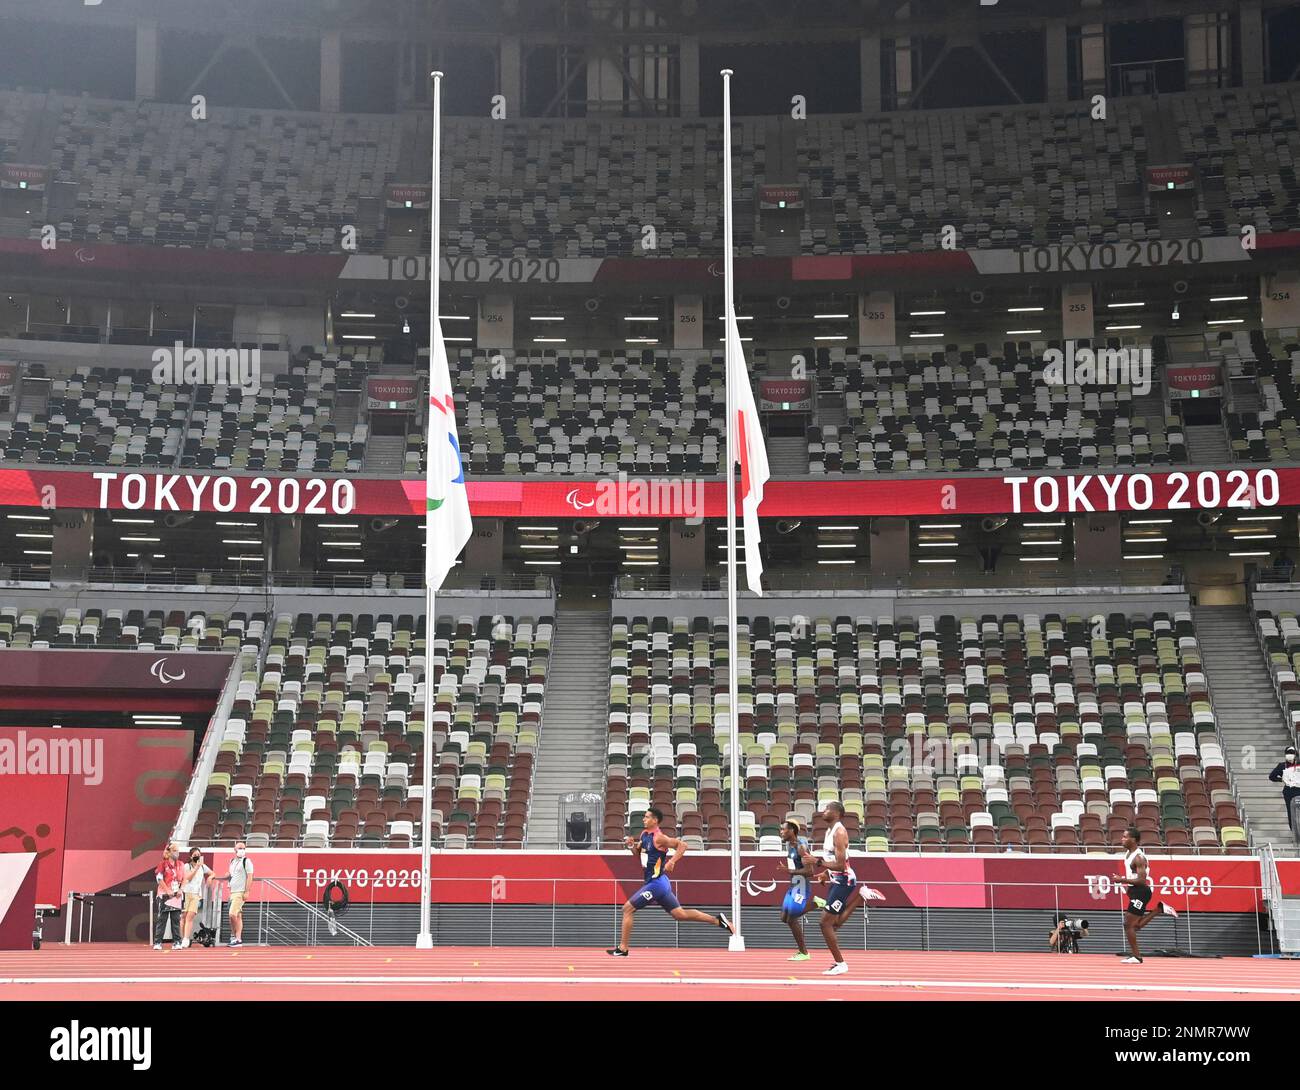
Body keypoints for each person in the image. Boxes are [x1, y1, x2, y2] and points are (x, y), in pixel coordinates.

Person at [606, 807, 733, 956]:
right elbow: (639, 855)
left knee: (627, 908)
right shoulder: (644, 834)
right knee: (680, 915)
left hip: (657, 884)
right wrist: (631, 846)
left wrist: (672, 861)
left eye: (646, 817)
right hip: (658, 882)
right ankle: (718, 921)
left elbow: (682, 845)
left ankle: (623, 948)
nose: (643, 819)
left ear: (655, 820)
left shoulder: (659, 837)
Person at [810, 800, 862, 976]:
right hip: (837, 880)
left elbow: (841, 865)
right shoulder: (829, 831)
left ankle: (841, 964)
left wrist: (816, 862)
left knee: (825, 923)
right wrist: (825, 873)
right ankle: (861, 897)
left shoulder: (839, 832)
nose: (823, 811)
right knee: (834, 923)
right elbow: (832, 859)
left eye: (827, 809)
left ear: (837, 813)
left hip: (844, 881)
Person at [1119, 827, 1178, 964]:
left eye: (1125, 837)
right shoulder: (1128, 853)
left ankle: (1137, 957)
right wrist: (1128, 888)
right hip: (1135, 891)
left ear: (1133, 840)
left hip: (1141, 892)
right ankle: (1159, 909)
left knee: (1128, 925)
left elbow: (1141, 880)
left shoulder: (1139, 857)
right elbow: (1133, 875)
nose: (1122, 839)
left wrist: (1122, 880)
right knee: (1135, 926)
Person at [777, 819, 816, 961]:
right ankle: (815, 903)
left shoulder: (801, 847)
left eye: (783, 829)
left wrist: (788, 871)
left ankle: (804, 953)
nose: (781, 832)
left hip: (802, 887)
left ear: (792, 830)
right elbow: (795, 867)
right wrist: (790, 872)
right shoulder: (790, 845)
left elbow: (810, 871)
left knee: (792, 918)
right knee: (784, 918)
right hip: (793, 885)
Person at [221, 840, 254, 947]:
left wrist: (247, 891)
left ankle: (236, 937)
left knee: (232, 914)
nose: (242, 850)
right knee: (238, 915)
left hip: (240, 892)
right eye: (240, 848)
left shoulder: (247, 861)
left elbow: (250, 877)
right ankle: (237, 938)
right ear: (235, 850)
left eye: (243, 848)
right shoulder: (232, 861)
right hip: (232, 891)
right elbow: (231, 873)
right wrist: (227, 875)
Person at [178, 847, 213, 949]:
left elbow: (212, 873)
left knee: (190, 917)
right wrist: (196, 868)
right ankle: (181, 938)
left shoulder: (203, 867)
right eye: (195, 855)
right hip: (186, 893)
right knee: (183, 917)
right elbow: (188, 878)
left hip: (196, 895)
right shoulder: (186, 866)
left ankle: (186, 938)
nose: (197, 856)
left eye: (199, 854)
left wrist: (210, 877)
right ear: (191, 856)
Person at [152, 841, 184, 951]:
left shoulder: (181, 864)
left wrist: (181, 889)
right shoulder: (163, 864)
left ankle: (177, 942)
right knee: (162, 919)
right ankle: (158, 942)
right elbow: (159, 879)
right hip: (164, 895)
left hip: (176, 896)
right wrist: (167, 890)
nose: (177, 853)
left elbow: (184, 879)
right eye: (175, 851)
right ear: (169, 852)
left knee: (176, 919)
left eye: (178, 851)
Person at [1268, 746, 1300, 831]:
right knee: (1291, 811)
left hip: (1299, 790)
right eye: (1288, 753)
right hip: (1288, 792)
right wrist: (1281, 779)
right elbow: (1271, 776)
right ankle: (1293, 830)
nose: (1290, 755)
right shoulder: (1282, 765)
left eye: (1292, 753)